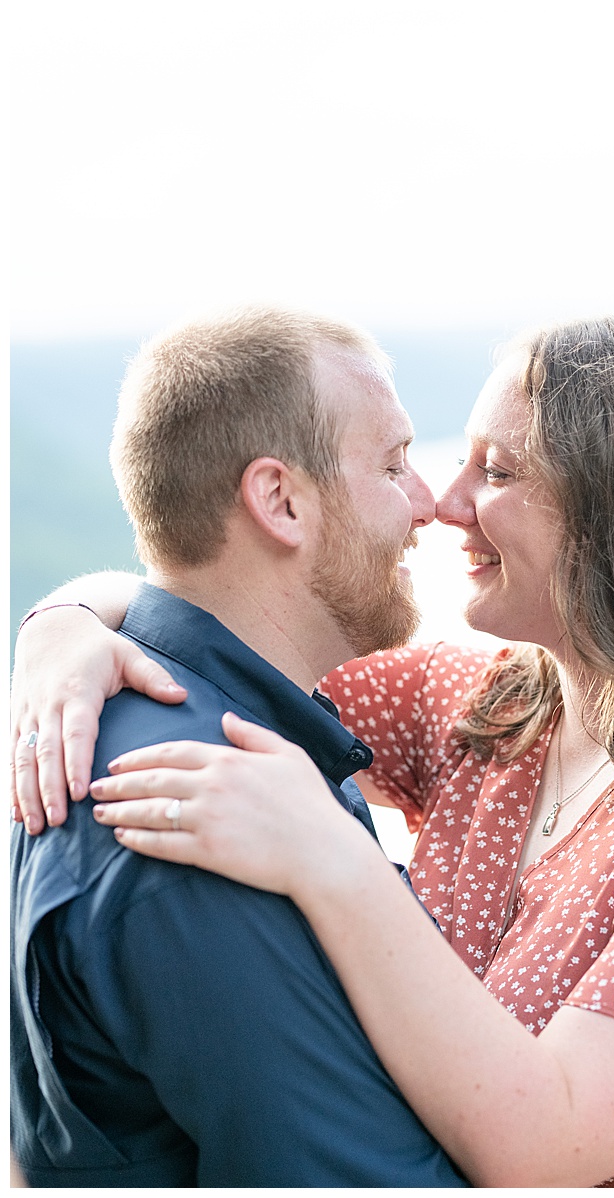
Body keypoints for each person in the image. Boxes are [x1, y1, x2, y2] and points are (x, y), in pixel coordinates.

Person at [12, 313, 614, 1186]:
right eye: (420, 464)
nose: (443, 503)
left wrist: (334, 861)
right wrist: (67, 622)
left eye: (494, 471)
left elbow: (549, 1144)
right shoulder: (488, 711)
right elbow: (240, 642)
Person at [8, 308, 465, 1185]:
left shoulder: (239, 735)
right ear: (280, 500)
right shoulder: (190, 808)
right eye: (393, 463)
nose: (427, 503)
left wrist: (60, 611)